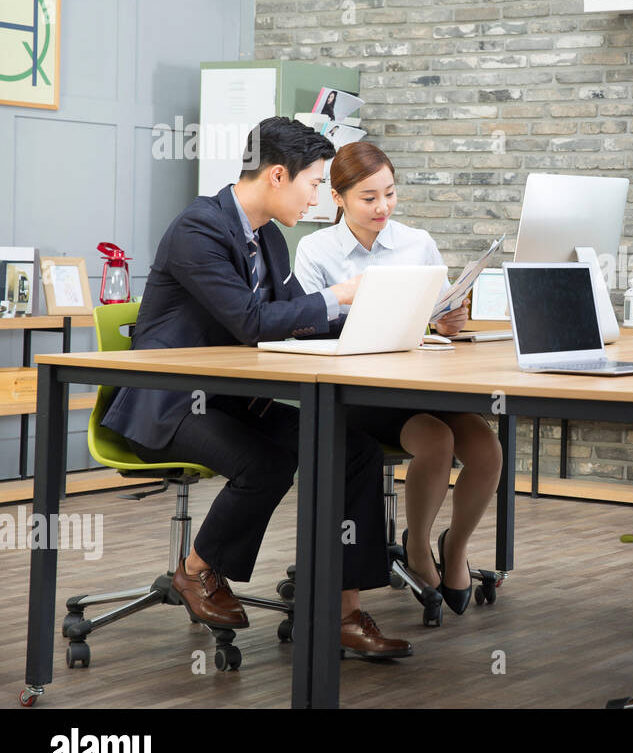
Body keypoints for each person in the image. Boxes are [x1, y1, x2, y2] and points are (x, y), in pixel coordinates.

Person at [101, 117, 411, 659]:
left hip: (231, 398)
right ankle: (195, 570)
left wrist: (384, 319)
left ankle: (343, 613)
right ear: (276, 175)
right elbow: (251, 320)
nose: (318, 198)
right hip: (169, 403)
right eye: (315, 183)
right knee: (265, 463)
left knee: (353, 450)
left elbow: (292, 315)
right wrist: (340, 294)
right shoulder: (197, 230)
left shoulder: (267, 236)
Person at [295, 141, 502, 616]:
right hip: (356, 390)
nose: (383, 207)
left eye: (389, 193)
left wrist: (449, 322)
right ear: (338, 197)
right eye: (369, 198)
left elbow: (434, 316)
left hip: (419, 379)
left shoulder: (417, 242)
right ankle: (417, 547)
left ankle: (455, 547)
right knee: (435, 440)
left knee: (488, 451)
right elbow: (303, 327)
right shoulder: (315, 251)